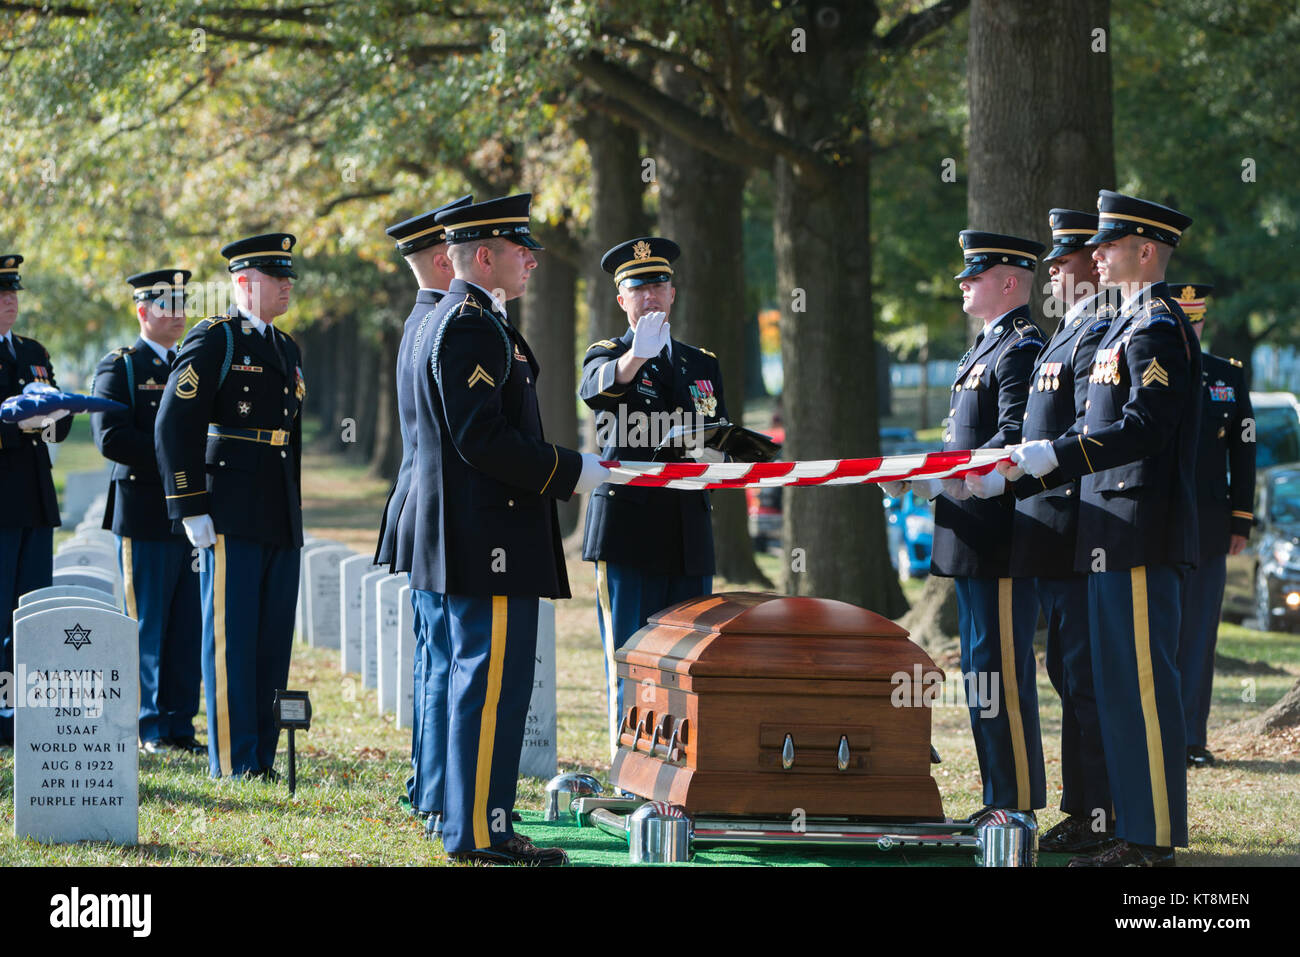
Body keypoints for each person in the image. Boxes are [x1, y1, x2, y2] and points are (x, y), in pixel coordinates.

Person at [407, 194, 609, 864]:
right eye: (520, 248)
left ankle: (475, 819)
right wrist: (567, 470)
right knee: (489, 685)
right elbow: (481, 439)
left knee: (489, 682)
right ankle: (480, 830)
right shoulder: (469, 325)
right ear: (483, 255)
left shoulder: (481, 321)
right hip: (488, 538)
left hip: (488, 535)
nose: (532, 258)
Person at [1007, 190, 1199, 867]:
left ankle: (1153, 838)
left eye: (1110, 244)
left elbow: (1145, 429)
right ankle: (1129, 825)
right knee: (1118, 688)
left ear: (1146, 251)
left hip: (1140, 528)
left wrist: (1057, 456)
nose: (1095, 254)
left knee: (1143, 690)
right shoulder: (1125, 326)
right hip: (1109, 530)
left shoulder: (1155, 326)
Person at [886, 229, 1047, 819]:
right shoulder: (984, 347)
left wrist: (943, 476)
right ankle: (997, 797)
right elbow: (963, 444)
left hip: (999, 536)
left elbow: (1014, 437)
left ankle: (1016, 802)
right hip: (969, 532)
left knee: (1001, 676)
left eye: (974, 276)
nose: (963, 284)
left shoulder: (1022, 348)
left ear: (1009, 282)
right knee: (983, 678)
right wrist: (922, 476)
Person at [156, 233, 306, 780]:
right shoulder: (214, 339)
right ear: (243, 283)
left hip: (276, 511)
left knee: (270, 640)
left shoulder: (285, 347)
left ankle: (261, 756)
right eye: (276, 276)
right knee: (231, 639)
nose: (288, 283)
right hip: (229, 510)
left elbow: (287, 438)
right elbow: (175, 424)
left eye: (289, 275)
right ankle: (231, 756)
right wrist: (189, 505)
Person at [995, 210, 1119, 852]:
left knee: (1084, 675)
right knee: (1068, 674)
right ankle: (1084, 807)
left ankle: (1100, 813)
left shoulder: (1100, 330)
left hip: (1077, 527)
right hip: (1045, 526)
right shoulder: (1063, 333)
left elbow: (1086, 429)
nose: (1055, 270)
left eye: (1065, 260)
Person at [578, 236, 725, 758]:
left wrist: (721, 453)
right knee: (630, 655)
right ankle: (632, 764)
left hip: (686, 529)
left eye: (659, 285)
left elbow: (714, 431)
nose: (651, 297)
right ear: (622, 301)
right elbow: (596, 390)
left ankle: (678, 762)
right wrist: (633, 361)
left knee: (687, 653)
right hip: (629, 531)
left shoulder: (699, 363)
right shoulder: (609, 355)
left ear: (674, 292)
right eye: (638, 289)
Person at [374, 193, 471, 830]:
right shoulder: (447, 321)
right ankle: (437, 793)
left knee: (433, 659)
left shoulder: (420, 321)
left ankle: (428, 785)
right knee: (442, 659)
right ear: (443, 259)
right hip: (438, 512)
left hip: (418, 509)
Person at [91, 269, 204, 756]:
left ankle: (179, 724)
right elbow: (110, 439)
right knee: (147, 625)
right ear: (143, 311)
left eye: (182, 304)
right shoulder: (123, 367)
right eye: (166, 305)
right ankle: (148, 726)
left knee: (186, 626)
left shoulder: (194, 363)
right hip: (143, 514)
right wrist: (174, 457)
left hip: (190, 515)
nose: (178, 314)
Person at [1172, 283, 1254, 768]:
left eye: (1196, 320)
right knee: (1159, 631)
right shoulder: (1150, 368)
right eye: (1183, 320)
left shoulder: (1226, 376)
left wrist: (1241, 518)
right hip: (1158, 524)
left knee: (1199, 633)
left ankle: (1190, 737)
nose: (1190, 329)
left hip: (1208, 525)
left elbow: (1243, 454)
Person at [0, 253, 74, 744]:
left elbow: (61, 423)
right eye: (1, 295)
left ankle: (19, 712)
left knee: (29, 614)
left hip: (33, 499)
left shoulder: (32, 351)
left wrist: (46, 419)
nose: (10, 302)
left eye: (13, 294)